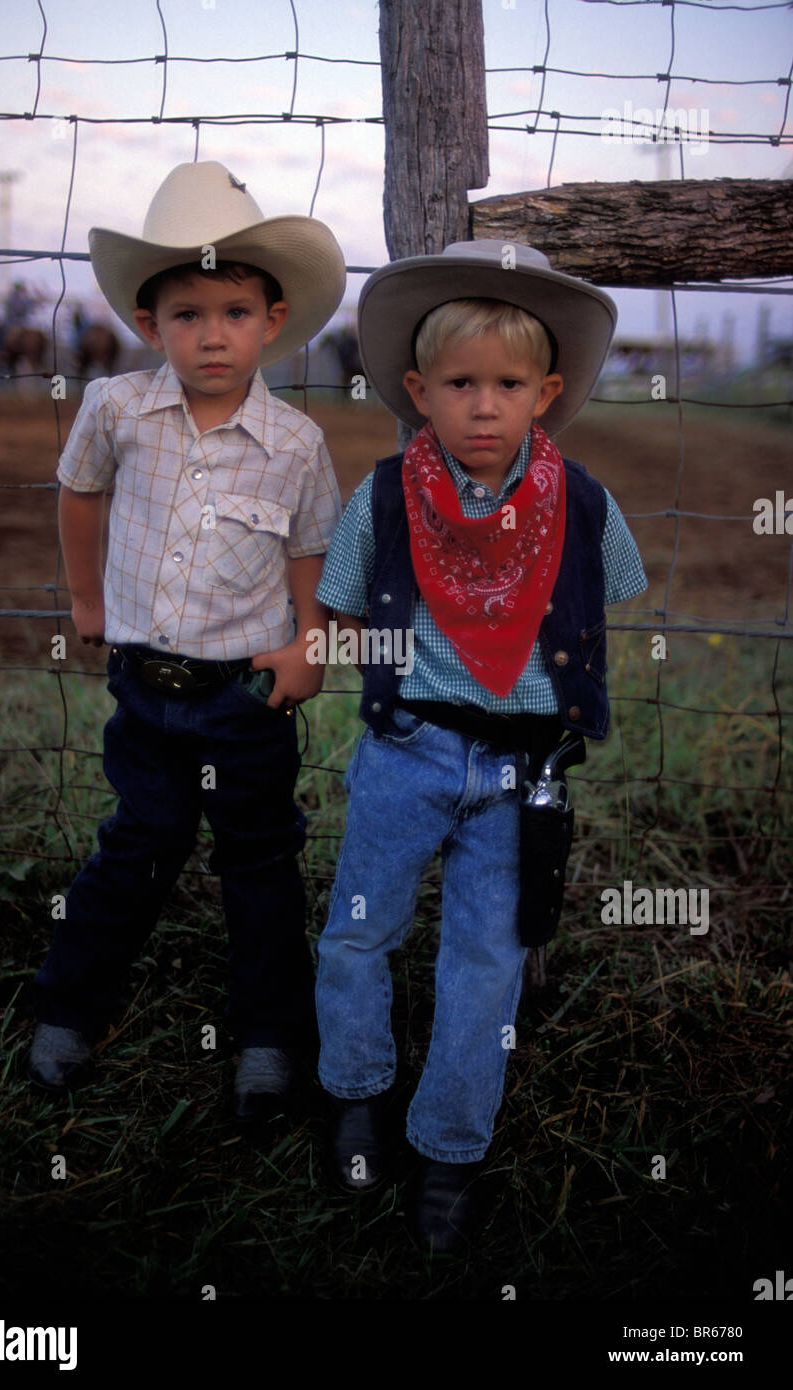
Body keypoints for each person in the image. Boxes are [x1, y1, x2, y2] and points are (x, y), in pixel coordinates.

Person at [313, 240, 647, 1251]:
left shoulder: (582, 505)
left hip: (520, 772)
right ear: (418, 391)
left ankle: (450, 1144)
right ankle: (356, 1095)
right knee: (358, 931)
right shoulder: (383, 499)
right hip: (406, 750)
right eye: (461, 383)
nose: (485, 405)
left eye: (508, 384)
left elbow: (608, 597)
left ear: (546, 392)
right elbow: (336, 609)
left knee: (484, 964)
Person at [27, 161, 345, 1121]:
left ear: (273, 321)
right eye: (188, 313)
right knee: (136, 844)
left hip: (246, 696)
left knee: (258, 863)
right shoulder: (116, 410)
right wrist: (87, 599)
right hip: (143, 686)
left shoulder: (294, 443)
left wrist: (308, 647)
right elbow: (79, 495)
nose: (213, 334)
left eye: (236, 312)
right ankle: (70, 1008)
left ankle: (265, 1039)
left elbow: (309, 552)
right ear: (146, 324)